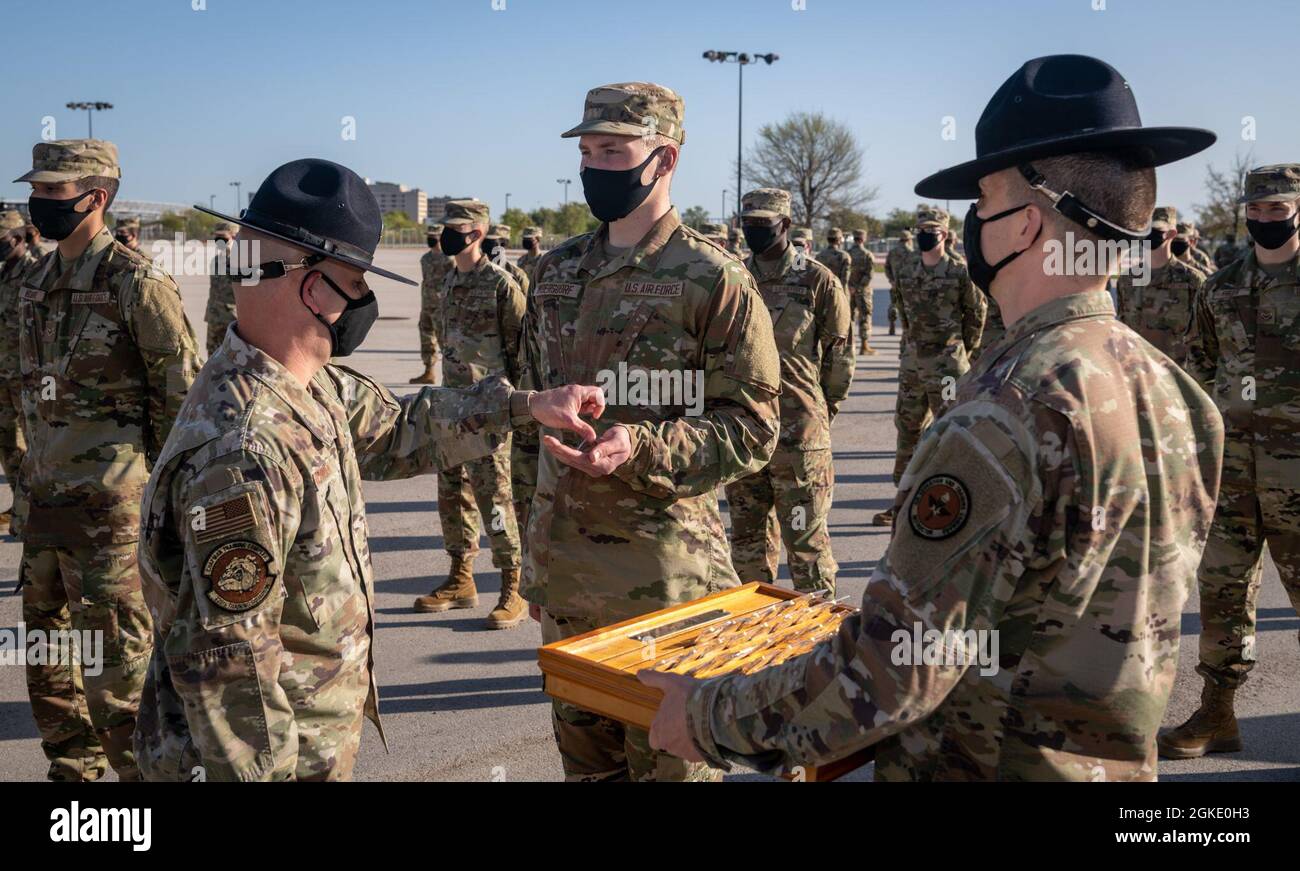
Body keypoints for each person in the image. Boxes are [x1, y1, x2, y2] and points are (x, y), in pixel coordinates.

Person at [642, 54, 1223, 782]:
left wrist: (707, 716)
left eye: (984, 196)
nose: (971, 217)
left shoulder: (1006, 412)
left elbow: (893, 671)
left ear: (1027, 224)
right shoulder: (1177, 392)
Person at [134, 158, 606, 780]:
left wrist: (526, 405)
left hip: (314, 737)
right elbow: (233, 672)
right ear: (314, 288)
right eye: (356, 282)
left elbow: (401, 427)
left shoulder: (303, 384)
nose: (365, 300)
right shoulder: (244, 450)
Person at [524, 81, 780, 781]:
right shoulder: (553, 272)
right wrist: (531, 562)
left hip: (666, 597)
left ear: (663, 159)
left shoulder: (713, 278)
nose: (594, 166)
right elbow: (534, 418)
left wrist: (641, 446)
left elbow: (753, 427)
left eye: (613, 150)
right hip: (566, 590)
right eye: (587, 150)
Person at [14, 139, 202, 781]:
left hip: (112, 514)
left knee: (116, 671)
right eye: (35, 190)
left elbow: (180, 403)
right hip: (41, 504)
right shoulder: (32, 280)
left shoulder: (137, 284)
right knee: (42, 650)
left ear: (96, 198)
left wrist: (171, 510)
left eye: (53, 193)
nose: (37, 203)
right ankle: (72, 771)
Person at [1163, 163, 1300, 759]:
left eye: (1278, 208)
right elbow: (1198, 375)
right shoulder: (1219, 287)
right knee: (1221, 595)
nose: (1266, 218)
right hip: (1233, 475)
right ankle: (1217, 714)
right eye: (1257, 209)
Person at [726, 188, 852, 594]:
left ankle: (820, 644)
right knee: (746, 544)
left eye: (762, 225)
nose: (754, 233)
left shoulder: (816, 280)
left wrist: (820, 412)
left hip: (799, 437)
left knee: (807, 549)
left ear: (786, 225)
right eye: (748, 225)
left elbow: (839, 356)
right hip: (743, 432)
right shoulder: (732, 278)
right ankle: (750, 637)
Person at [412, 201, 527, 630]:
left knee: (495, 498)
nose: (447, 236)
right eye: (444, 228)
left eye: (455, 229)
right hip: (450, 408)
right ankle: (461, 578)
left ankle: (511, 586)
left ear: (478, 232)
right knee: (452, 495)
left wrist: (514, 408)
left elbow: (520, 350)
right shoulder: (446, 280)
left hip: (488, 411)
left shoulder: (500, 284)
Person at [873, 205, 984, 527]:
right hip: (912, 362)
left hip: (947, 365)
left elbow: (975, 313)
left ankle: (952, 505)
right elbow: (901, 307)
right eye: (920, 231)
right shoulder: (907, 268)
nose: (923, 236)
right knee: (907, 428)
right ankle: (902, 502)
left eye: (930, 232)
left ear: (945, 235)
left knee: (950, 431)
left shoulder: (959, 270)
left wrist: (961, 350)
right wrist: (910, 342)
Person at [1114, 206, 1205, 372]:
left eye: (1155, 230)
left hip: (1178, 378)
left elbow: (1205, 340)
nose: (1149, 234)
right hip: (1138, 374)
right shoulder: (1127, 280)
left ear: (1171, 234)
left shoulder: (1193, 281)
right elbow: (1123, 329)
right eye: (1145, 229)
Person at [0, 210, 39, 531]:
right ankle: (21, 508)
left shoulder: (36, 273)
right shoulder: (2, 274)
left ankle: (35, 513)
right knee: (7, 444)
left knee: (35, 447)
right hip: (2, 373)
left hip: (27, 377)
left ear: (16, 239)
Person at [411, 221, 449, 385]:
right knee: (426, 338)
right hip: (427, 305)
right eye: (429, 237)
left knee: (445, 342)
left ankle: (450, 375)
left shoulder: (449, 259)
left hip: (442, 308)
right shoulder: (425, 259)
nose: (431, 239)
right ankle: (429, 372)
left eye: (434, 237)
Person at [204, 221, 239, 356]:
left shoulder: (242, 262)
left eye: (223, 237)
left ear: (234, 237)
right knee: (212, 358)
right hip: (214, 318)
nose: (219, 241)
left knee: (232, 361)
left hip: (232, 320)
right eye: (216, 237)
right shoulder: (216, 260)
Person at [847, 228, 877, 355]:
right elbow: (869, 274)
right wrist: (859, 287)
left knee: (849, 317)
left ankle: (849, 345)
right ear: (863, 239)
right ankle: (864, 346)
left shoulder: (847, 254)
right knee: (865, 316)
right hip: (863, 291)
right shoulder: (867, 254)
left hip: (848, 290)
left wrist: (850, 287)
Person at [885, 228, 914, 336]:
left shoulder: (892, 252)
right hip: (908, 285)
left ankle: (892, 324)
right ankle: (905, 329)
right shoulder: (911, 253)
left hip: (895, 283)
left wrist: (891, 280)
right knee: (907, 307)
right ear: (909, 239)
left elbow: (887, 267)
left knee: (893, 304)